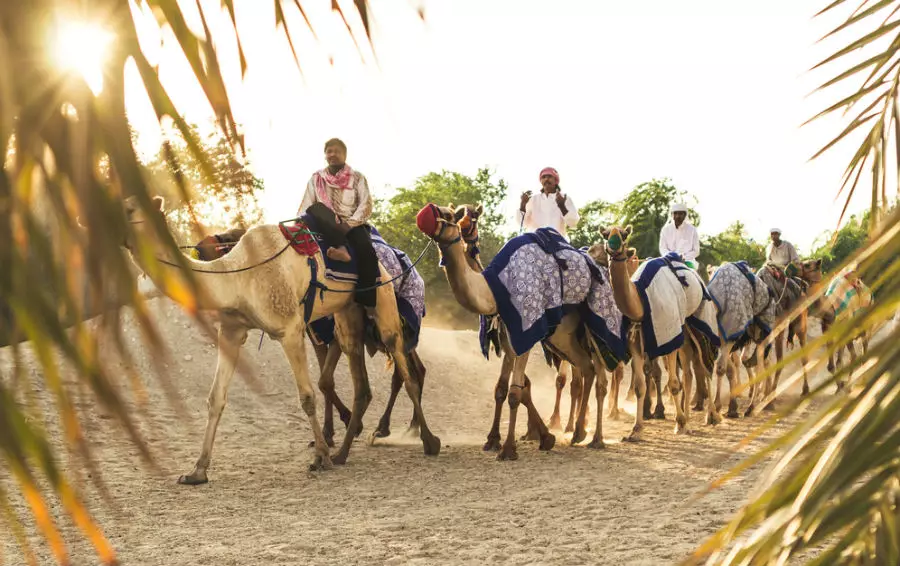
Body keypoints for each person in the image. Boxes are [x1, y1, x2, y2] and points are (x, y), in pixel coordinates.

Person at [297, 138, 377, 310]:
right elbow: (306, 205)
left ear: (344, 155)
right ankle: (340, 248)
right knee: (316, 209)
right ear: (325, 155)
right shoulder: (316, 178)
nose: (332, 154)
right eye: (329, 151)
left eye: (337, 151)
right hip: (325, 224)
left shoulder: (357, 178)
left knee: (367, 250)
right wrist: (298, 225)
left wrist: (349, 225)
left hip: (351, 224)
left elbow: (366, 204)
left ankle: (367, 303)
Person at [517, 167, 580, 238]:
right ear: (541, 181)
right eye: (543, 177)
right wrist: (523, 205)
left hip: (558, 242)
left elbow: (573, 223)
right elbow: (522, 223)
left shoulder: (564, 198)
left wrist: (562, 206)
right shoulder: (533, 199)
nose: (546, 179)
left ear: (556, 181)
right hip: (536, 241)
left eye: (549, 176)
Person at [658, 203, 700, 269]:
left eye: (680, 214)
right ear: (672, 215)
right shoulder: (665, 229)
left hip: (687, 262)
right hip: (668, 261)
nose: (677, 216)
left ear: (685, 215)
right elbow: (662, 248)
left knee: (691, 277)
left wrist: (684, 257)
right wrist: (672, 256)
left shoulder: (692, 230)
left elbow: (696, 251)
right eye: (675, 213)